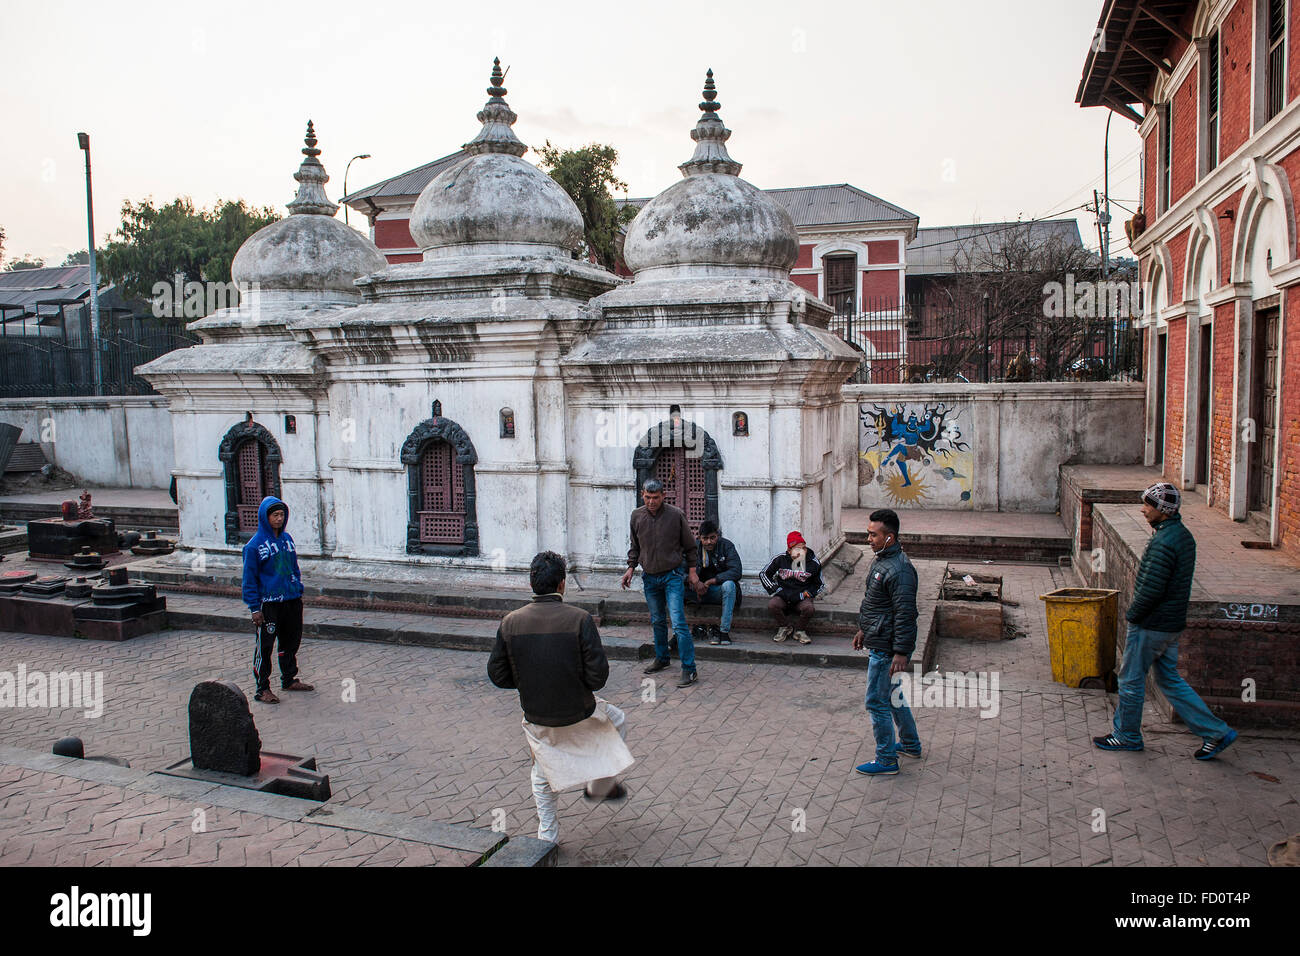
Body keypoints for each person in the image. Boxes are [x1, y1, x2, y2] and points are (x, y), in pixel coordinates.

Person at [488, 551, 633, 844]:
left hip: (538, 715)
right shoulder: (579, 619)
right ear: (563, 584)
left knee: (541, 777)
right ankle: (600, 779)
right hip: (579, 711)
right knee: (618, 720)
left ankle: (547, 836)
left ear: (532, 583)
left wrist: (528, 681)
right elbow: (598, 677)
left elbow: (497, 675)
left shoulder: (510, 622)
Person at [1093, 483, 1237, 760]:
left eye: (1148, 505)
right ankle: (1215, 732)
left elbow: (1152, 589)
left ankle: (1126, 735)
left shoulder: (1164, 543)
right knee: (1169, 680)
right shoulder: (1181, 536)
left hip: (1152, 624)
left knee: (1131, 679)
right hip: (1171, 624)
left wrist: (1133, 615)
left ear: (1163, 511)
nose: (1143, 510)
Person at [852, 508, 922, 776]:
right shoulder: (882, 560)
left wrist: (901, 652)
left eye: (873, 535)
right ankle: (910, 744)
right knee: (893, 698)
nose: (868, 539)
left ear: (889, 537)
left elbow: (906, 614)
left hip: (886, 649)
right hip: (877, 638)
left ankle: (886, 760)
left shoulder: (901, 569)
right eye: (868, 534)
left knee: (876, 702)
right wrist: (862, 630)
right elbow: (874, 602)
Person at [621, 478, 703, 687]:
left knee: (678, 622)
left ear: (663, 496)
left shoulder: (676, 515)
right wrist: (630, 568)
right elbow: (635, 546)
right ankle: (662, 658)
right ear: (642, 495)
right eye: (648, 497)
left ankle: (689, 669)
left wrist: (692, 572)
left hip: (673, 576)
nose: (651, 502)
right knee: (657, 620)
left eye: (655, 498)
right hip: (649, 577)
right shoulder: (636, 516)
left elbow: (690, 547)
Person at [241, 495, 313, 704]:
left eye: (282, 515)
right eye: (275, 515)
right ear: (265, 517)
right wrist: (254, 608)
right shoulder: (254, 547)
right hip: (269, 603)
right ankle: (262, 688)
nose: (279, 519)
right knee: (265, 646)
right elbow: (249, 580)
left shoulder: (287, 540)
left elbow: (294, 567)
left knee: (291, 641)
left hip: (291, 599)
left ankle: (289, 678)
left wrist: (297, 588)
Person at [685, 519, 742, 645]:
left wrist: (713, 581)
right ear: (699, 537)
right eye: (705, 538)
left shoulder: (727, 546)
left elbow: (736, 571)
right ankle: (678, 633)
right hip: (696, 592)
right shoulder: (693, 549)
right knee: (673, 584)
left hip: (717, 591)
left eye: (713, 537)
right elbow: (680, 571)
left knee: (729, 585)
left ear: (718, 535)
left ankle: (724, 631)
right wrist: (694, 582)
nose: (709, 542)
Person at [759, 532, 822, 644]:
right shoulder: (780, 559)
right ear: (789, 551)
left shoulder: (813, 562)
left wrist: (808, 593)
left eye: (804, 548)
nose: (801, 552)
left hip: (802, 596)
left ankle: (799, 630)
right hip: (783, 596)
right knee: (773, 605)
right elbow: (764, 574)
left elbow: (819, 584)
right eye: (797, 549)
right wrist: (775, 589)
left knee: (809, 609)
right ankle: (785, 627)